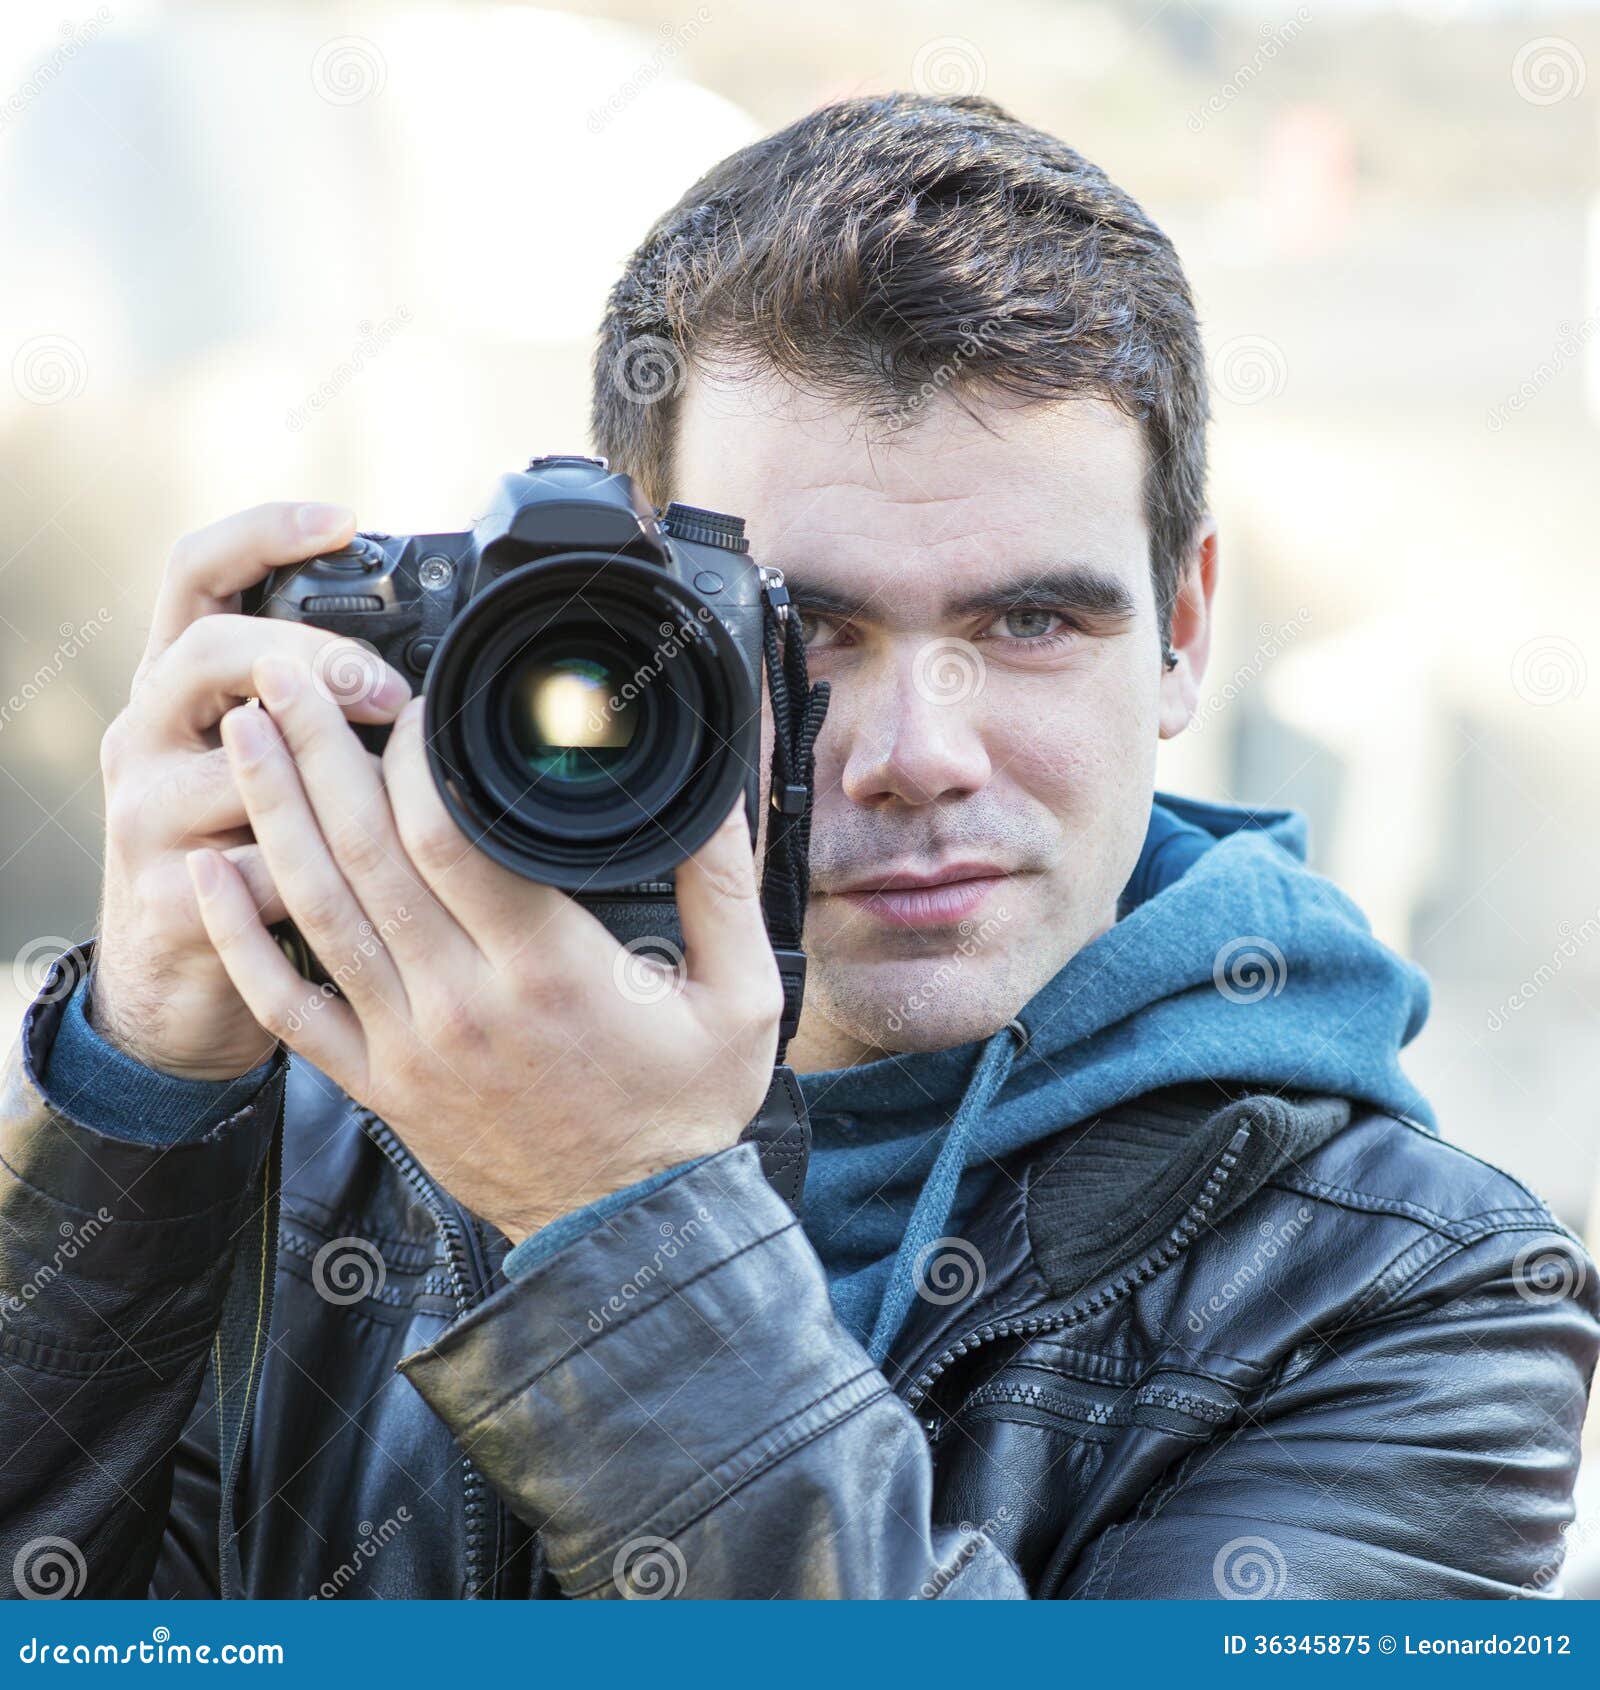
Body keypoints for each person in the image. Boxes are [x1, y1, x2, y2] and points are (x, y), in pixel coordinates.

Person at [2, 92, 1594, 1602]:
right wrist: (136, 1102)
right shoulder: (328, 1120)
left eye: (1031, 619)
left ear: (1182, 629)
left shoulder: (1416, 1296)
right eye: (808, 630)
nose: (919, 755)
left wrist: (611, 1210)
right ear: (610, 602)